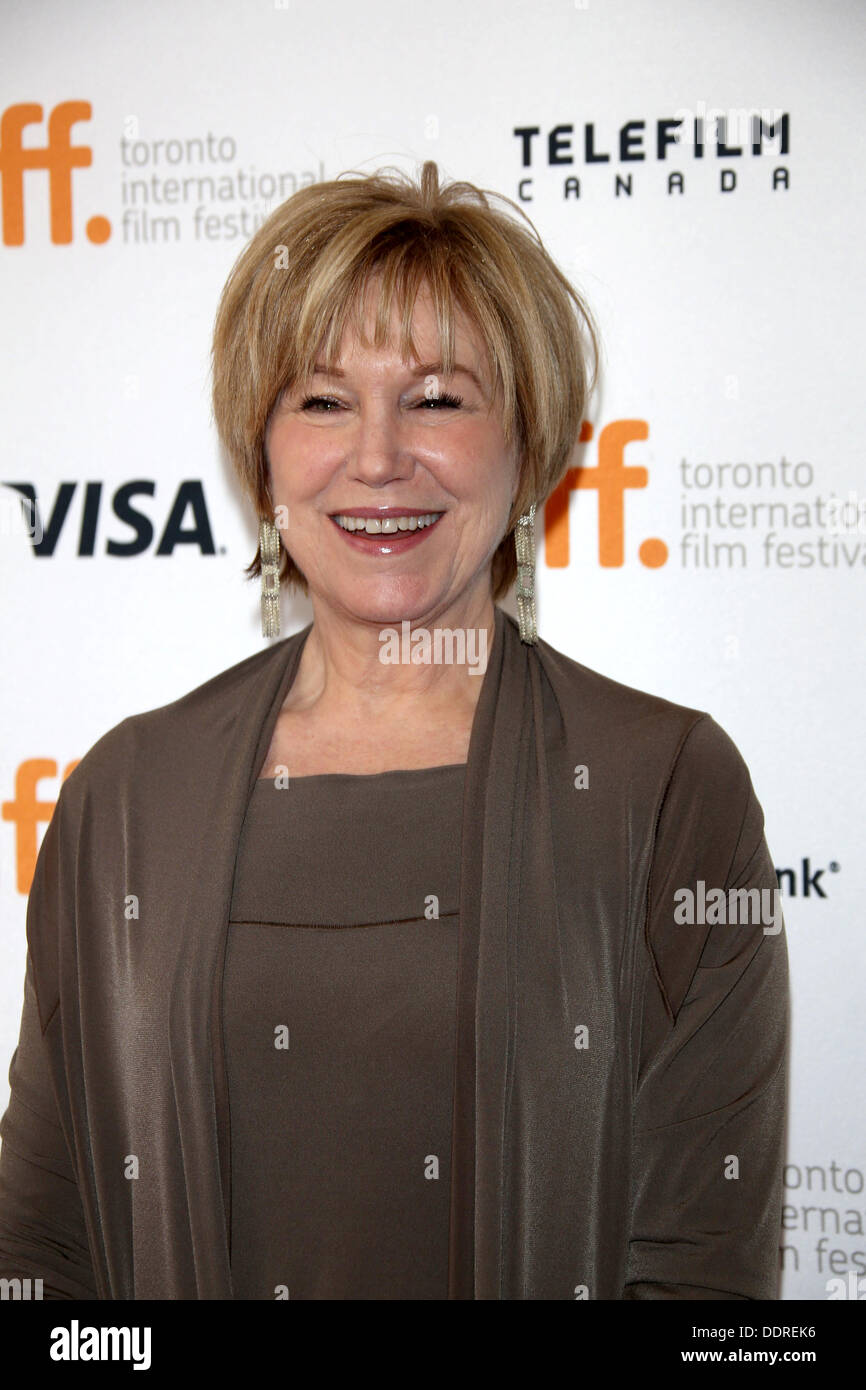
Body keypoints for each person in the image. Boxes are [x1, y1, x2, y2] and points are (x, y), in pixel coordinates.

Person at [0, 160, 788, 1300]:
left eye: (437, 397)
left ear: (525, 448)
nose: (375, 457)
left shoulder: (658, 788)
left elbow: (702, 1286)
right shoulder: (127, 797)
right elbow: (43, 1253)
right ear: (260, 450)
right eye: (321, 401)